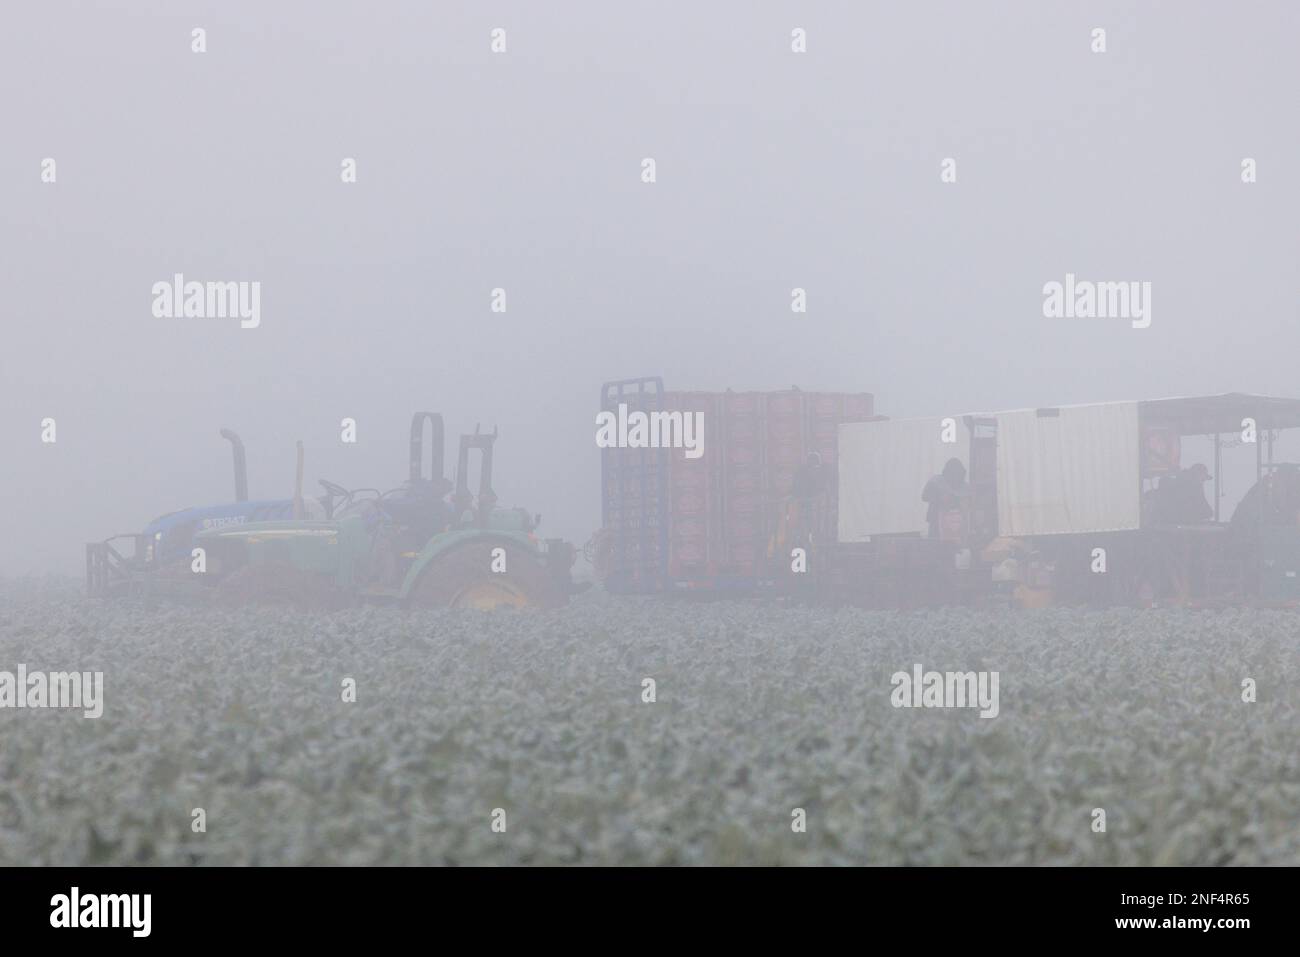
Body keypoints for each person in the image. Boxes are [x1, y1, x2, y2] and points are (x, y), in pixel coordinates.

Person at [922, 458, 970, 539]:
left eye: (958, 474)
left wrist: (961, 501)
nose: (955, 477)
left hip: (957, 525)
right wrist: (939, 498)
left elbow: (970, 504)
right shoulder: (936, 482)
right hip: (937, 523)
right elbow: (924, 496)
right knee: (935, 546)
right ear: (947, 473)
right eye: (953, 474)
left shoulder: (965, 487)